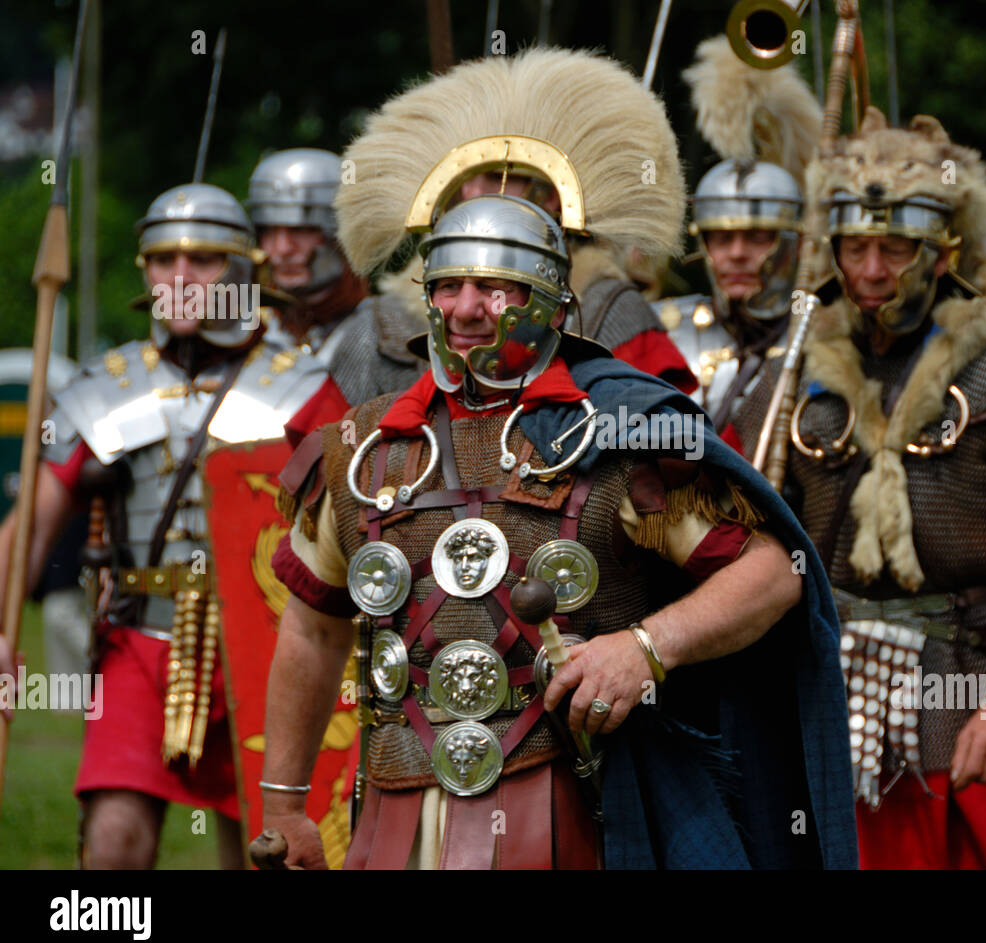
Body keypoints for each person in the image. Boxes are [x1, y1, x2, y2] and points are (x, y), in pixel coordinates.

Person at [259, 180, 857, 869]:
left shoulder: (618, 433)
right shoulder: (361, 448)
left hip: (584, 805)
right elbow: (311, 626)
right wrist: (283, 804)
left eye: (495, 288)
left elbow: (773, 574)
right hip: (399, 813)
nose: (466, 309)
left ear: (548, 301)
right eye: (449, 285)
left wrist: (644, 647)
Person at [739, 109, 986, 868]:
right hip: (826, 695)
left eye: (895, 249)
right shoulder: (796, 375)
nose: (872, 271)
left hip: (962, 692)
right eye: (855, 248)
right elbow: (743, 532)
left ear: (943, 254)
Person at [0, 182, 349, 868]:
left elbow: (349, 527)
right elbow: (27, 533)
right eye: (163, 260)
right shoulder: (104, 388)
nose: (181, 278)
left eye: (204, 260)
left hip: (271, 653)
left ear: (243, 270)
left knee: (262, 852)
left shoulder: (307, 389)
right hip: (141, 642)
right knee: (113, 843)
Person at [333, 47, 695, 393]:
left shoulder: (609, 307)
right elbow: (325, 447)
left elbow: (665, 445)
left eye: (497, 177)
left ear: (552, 193)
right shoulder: (386, 321)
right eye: (462, 181)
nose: (474, 195)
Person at [651, 36, 819, 454]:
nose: (737, 253)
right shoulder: (660, 334)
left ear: (797, 243)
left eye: (758, 237)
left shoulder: (825, 338)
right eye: (722, 238)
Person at [248, 147, 426, 405]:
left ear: (343, 234)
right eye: (269, 232)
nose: (283, 249)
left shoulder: (392, 330)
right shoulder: (248, 329)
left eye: (302, 230)